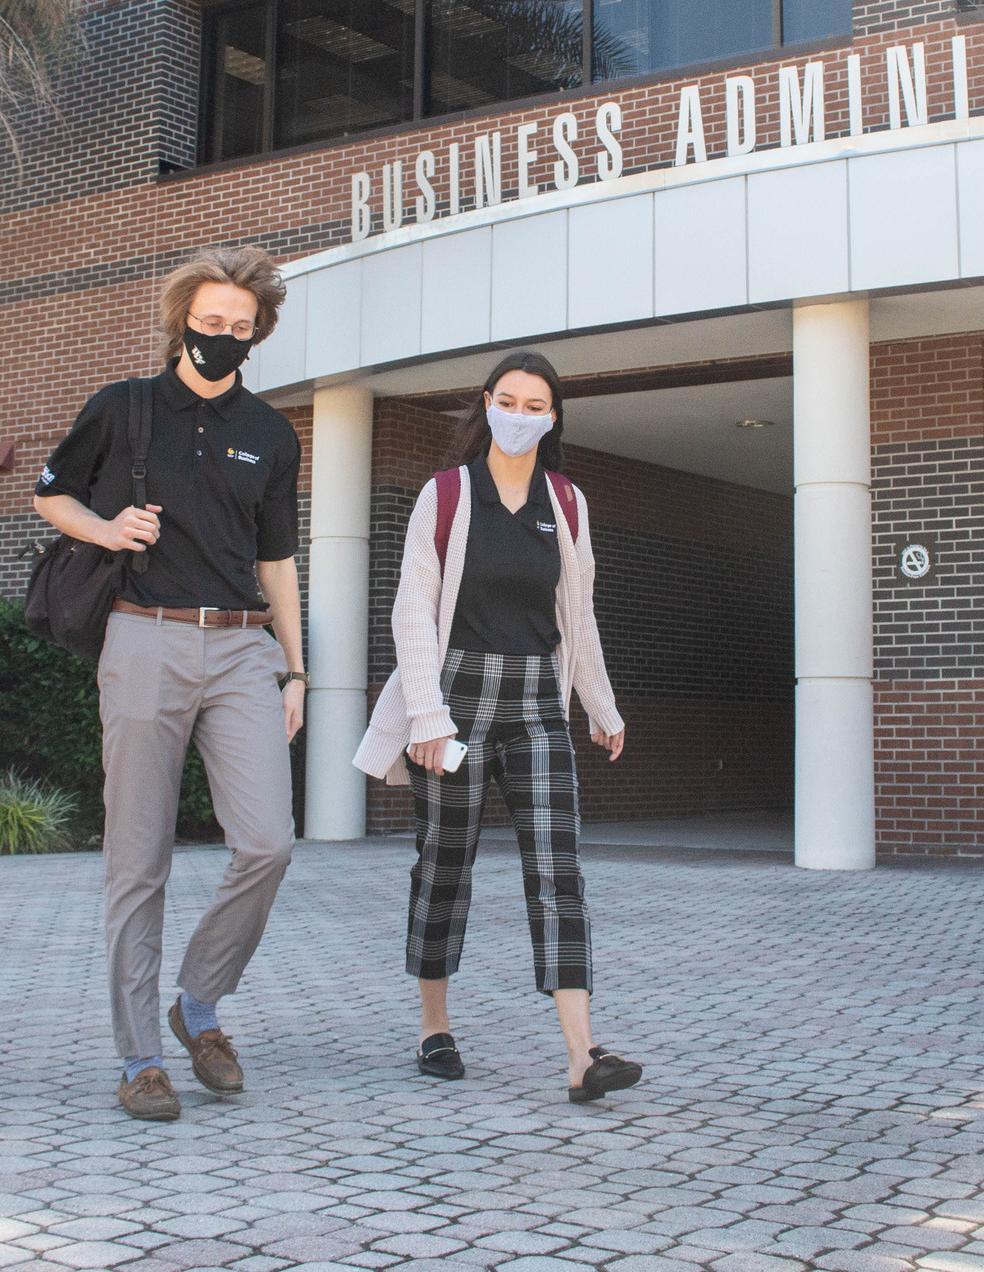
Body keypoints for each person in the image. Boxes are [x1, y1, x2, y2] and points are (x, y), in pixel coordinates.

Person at [33, 246, 306, 1123]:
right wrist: (110, 530)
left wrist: (295, 667)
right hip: (143, 638)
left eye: (240, 326)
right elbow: (50, 495)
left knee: (268, 842)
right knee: (137, 857)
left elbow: (278, 560)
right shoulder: (124, 409)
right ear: (180, 318)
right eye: (210, 321)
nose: (223, 336)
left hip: (239, 650)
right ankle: (139, 1055)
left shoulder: (271, 433)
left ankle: (196, 1004)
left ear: (257, 332)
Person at [356, 351, 644, 1102]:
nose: (518, 416)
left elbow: (577, 616)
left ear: (552, 418)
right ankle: (433, 1026)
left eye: (534, 405)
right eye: (507, 401)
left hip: (535, 706)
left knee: (559, 870)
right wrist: (425, 713)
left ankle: (582, 1056)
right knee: (444, 864)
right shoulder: (446, 496)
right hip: (451, 699)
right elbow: (411, 610)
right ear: (486, 405)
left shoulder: (567, 503)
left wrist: (601, 706)